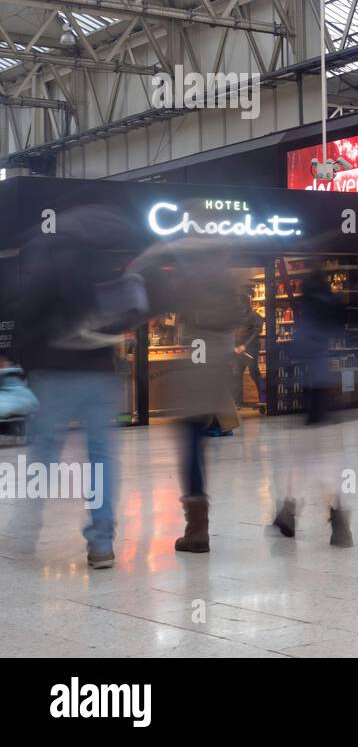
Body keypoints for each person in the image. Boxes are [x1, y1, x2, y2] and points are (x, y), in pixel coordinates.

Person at [1, 205, 139, 570]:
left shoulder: (45, 256)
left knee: (43, 454)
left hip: (54, 370)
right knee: (101, 458)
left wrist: (20, 359)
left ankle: (26, 531)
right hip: (99, 370)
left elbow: (24, 308)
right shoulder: (101, 260)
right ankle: (102, 543)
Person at [131, 237, 243, 554]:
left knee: (190, 442)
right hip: (217, 363)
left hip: (196, 364)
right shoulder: (225, 276)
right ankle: (197, 529)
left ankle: (197, 530)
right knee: (199, 434)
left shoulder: (186, 275)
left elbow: (152, 286)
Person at [271, 259, 353, 547]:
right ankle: (337, 518)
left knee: (305, 456)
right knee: (328, 457)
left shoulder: (309, 314)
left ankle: (291, 511)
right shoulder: (332, 309)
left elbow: (301, 347)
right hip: (331, 390)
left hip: (311, 389)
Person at [232, 290, 265, 406]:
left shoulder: (255, 316)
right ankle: (237, 402)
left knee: (254, 372)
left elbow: (256, 333)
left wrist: (245, 346)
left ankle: (264, 397)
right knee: (236, 374)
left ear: (244, 303)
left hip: (250, 350)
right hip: (238, 350)